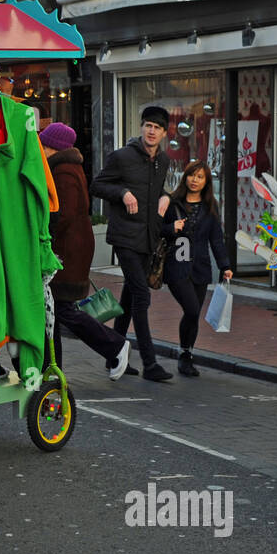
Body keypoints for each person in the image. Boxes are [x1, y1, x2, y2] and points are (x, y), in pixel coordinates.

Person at [41, 122, 130, 381]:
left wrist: (45, 240)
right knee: (52, 311)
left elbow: (61, 216)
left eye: (44, 145)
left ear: (53, 148)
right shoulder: (69, 168)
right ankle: (51, 369)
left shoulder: (63, 172)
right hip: (71, 250)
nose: (41, 150)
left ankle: (115, 345)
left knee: (62, 309)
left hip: (65, 253)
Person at [92, 105, 173, 382]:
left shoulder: (164, 162)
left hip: (147, 238)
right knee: (141, 295)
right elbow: (97, 186)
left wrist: (165, 197)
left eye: (157, 127)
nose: (151, 131)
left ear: (164, 133)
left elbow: (154, 191)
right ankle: (150, 364)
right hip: (125, 237)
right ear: (142, 128)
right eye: (148, 125)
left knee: (129, 295)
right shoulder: (122, 156)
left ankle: (115, 355)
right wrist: (122, 192)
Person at [163, 160, 233, 377]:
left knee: (193, 315)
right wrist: (171, 228)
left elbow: (216, 239)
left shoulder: (210, 206)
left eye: (200, 177)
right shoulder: (172, 202)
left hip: (200, 268)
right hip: (176, 267)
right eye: (192, 175)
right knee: (192, 310)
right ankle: (185, 354)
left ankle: (186, 355)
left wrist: (225, 266)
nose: (195, 180)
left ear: (206, 182)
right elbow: (156, 229)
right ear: (185, 177)